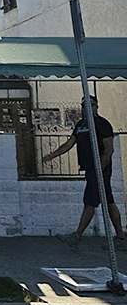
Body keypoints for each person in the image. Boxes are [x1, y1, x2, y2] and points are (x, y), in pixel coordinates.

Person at [42, 94, 126, 247]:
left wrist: (101, 168)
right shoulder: (81, 125)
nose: (87, 108)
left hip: (100, 170)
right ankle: (120, 236)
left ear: (96, 106)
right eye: (84, 105)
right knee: (108, 201)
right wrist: (52, 155)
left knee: (90, 202)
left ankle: (77, 235)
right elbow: (69, 144)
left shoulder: (102, 124)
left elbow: (109, 149)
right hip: (90, 170)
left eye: (91, 105)